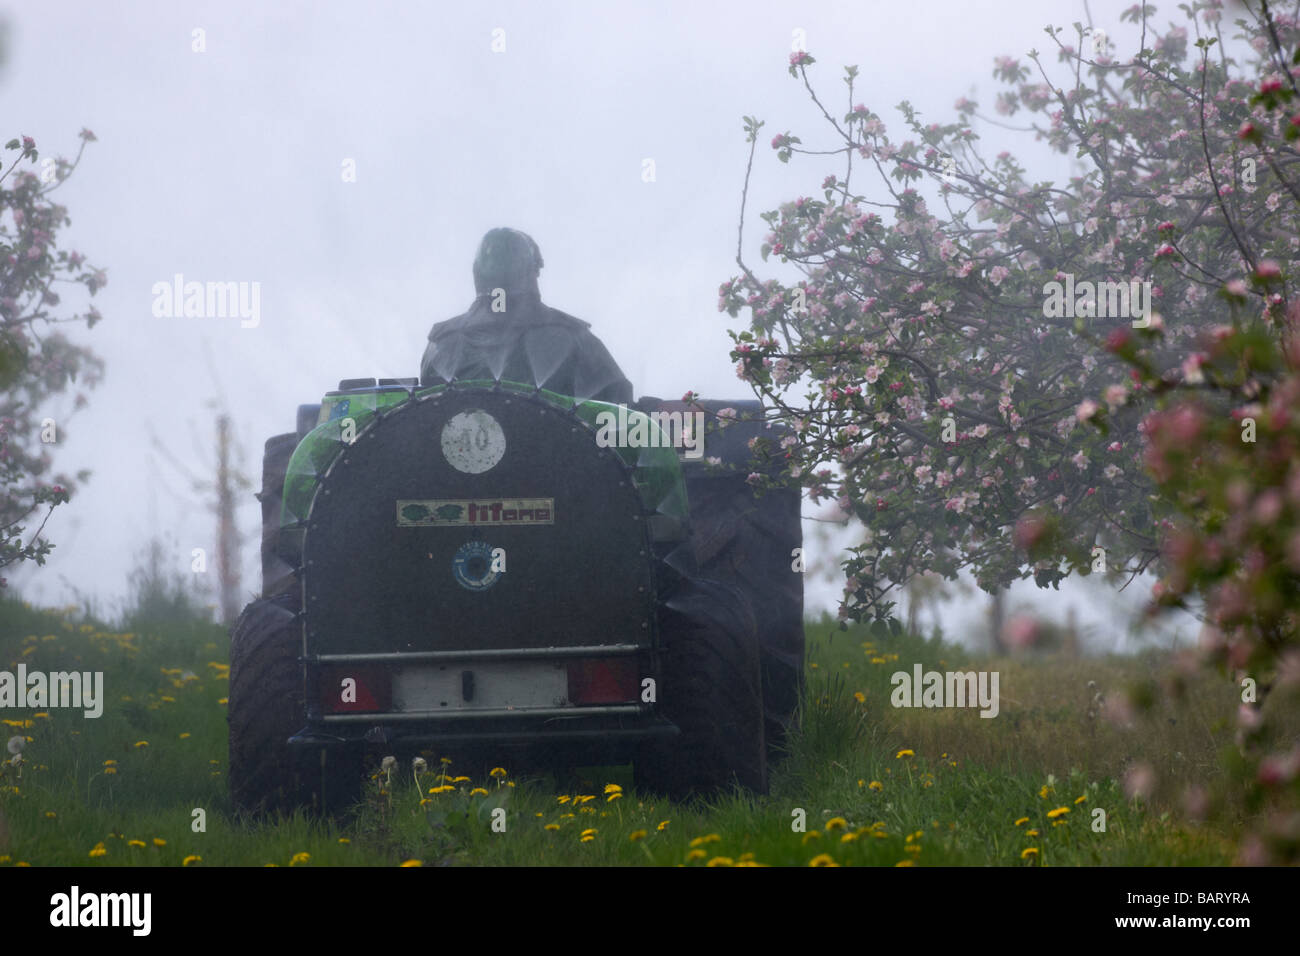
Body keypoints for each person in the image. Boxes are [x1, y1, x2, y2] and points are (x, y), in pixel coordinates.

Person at [420, 228, 633, 405]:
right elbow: (620, 419)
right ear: (533, 270)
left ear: (476, 272)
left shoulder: (440, 344)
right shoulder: (575, 339)